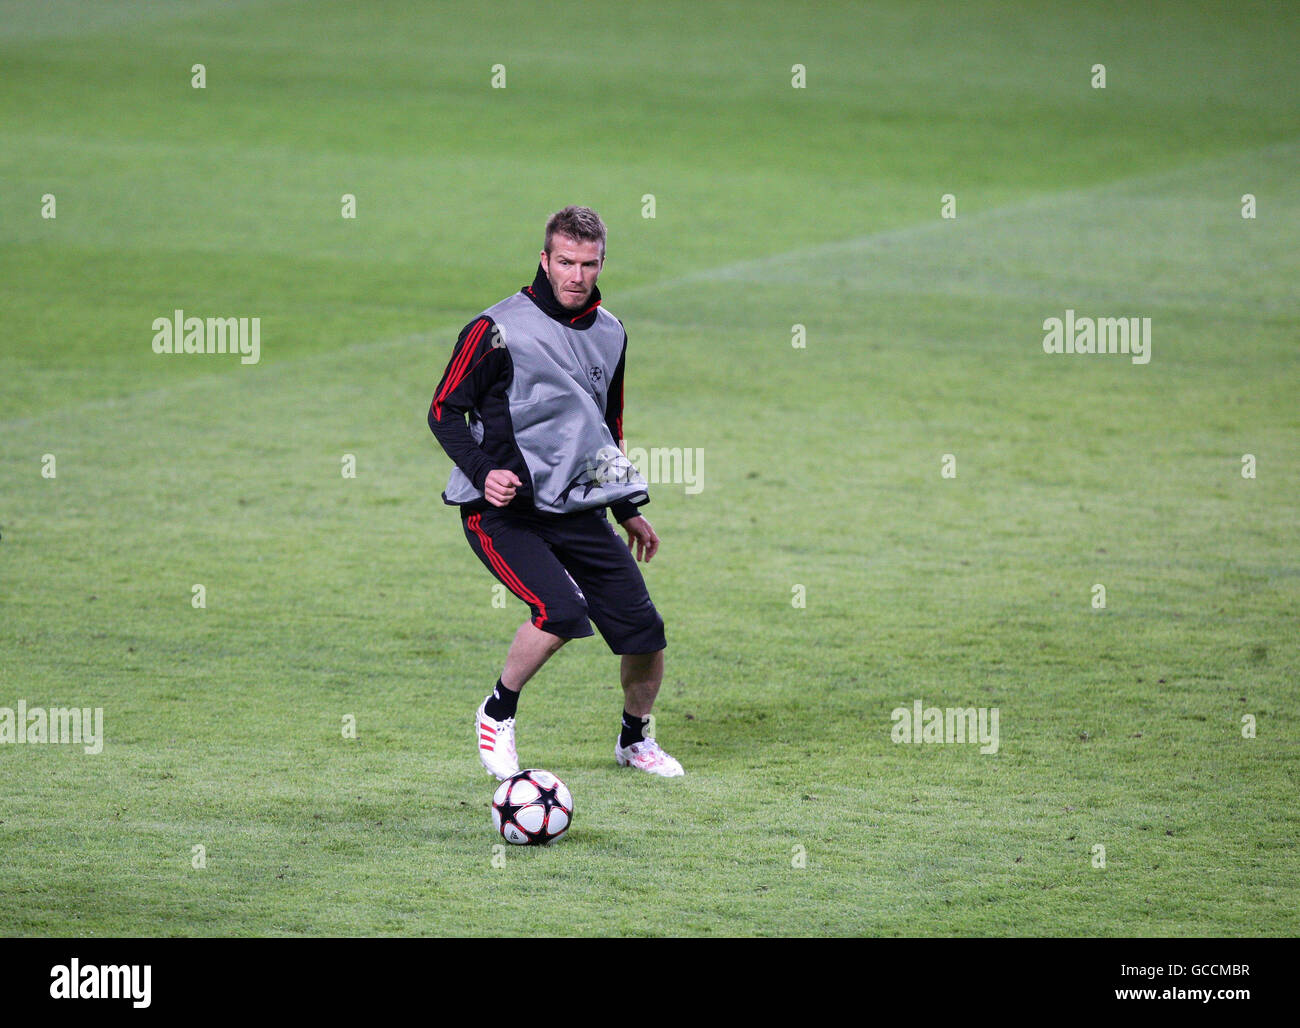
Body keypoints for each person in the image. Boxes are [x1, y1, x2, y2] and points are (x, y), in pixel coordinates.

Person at [427, 205, 684, 780]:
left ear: (601, 264)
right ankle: (498, 712)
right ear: (544, 260)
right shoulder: (495, 329)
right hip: (499, 511)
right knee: (560, 610)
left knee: (644, 630)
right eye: (565, 262)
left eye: (588, 264)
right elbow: (445, 409)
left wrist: (625, 508)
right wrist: (483, 469)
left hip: (574, 504)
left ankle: (634, 740)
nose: (576, 275)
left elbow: (605, 427)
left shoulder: (611, 333)